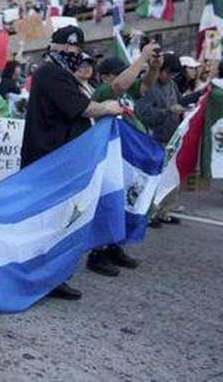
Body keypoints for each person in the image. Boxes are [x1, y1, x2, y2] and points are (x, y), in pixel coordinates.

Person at [20, 26, 122, 300]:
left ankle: (50, 277)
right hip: (49, 161)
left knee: (57, 222)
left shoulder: (59, 72)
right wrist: (108, 109)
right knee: (50, 224)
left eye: (76, 49)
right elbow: (83, 108)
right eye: (68, 47)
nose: (73, 53)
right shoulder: (52, 73)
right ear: (55, 47)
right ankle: (43, 279)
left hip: (57, 160)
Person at [85, 42, 162, 276]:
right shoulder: (103, 92)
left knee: (125, 201)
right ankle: (96, 253)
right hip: (111, 157)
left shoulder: (128, 92)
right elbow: (120, 84)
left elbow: (147, 85)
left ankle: (114, 246)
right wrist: (141, 58)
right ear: (106, 77)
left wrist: (154, 67)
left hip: (129, 158)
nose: (123, 77)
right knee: (107, 202)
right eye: (117, 73)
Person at [136, 53, 185, 226]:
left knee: (171, 178)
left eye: (174, 74)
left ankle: (164, 211)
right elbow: (144, 114)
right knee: (154, 180)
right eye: (168, 73)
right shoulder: (148, 85)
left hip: (172, 138)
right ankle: (150, 214)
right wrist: (168, 111)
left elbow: (180, 101)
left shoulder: (172, 85)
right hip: (153, 139)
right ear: (160, 70)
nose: (171, 77)